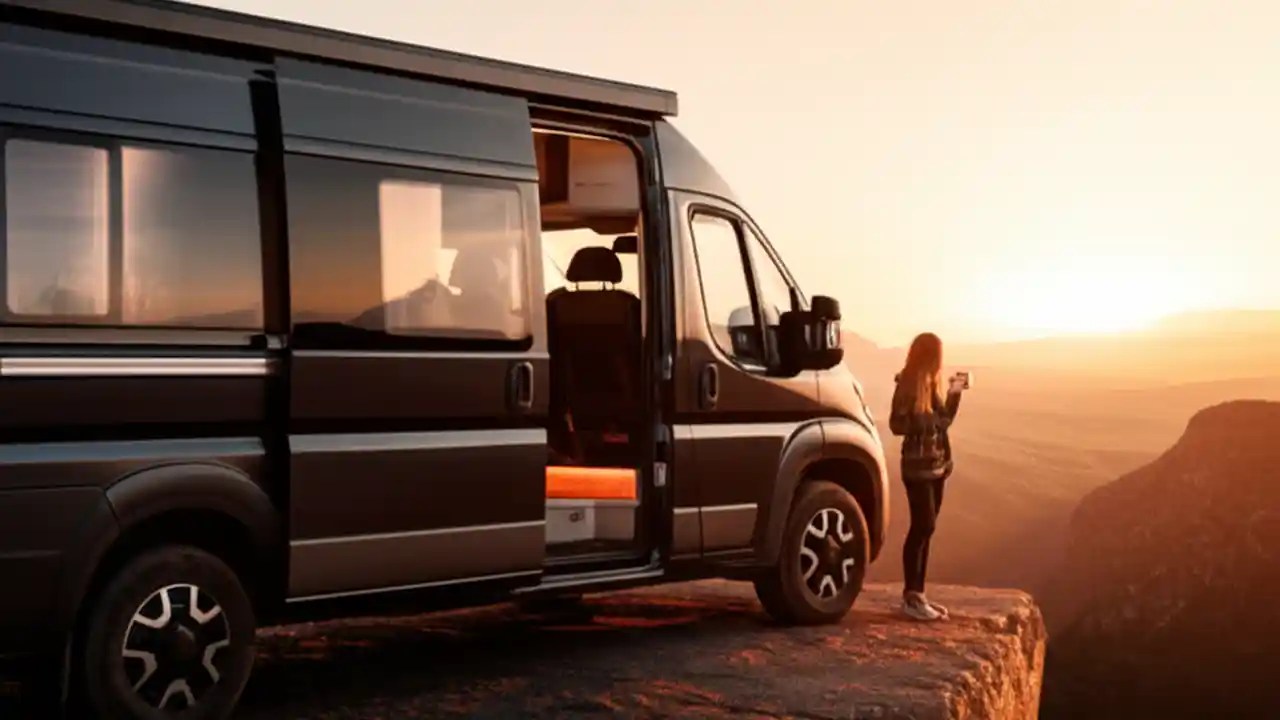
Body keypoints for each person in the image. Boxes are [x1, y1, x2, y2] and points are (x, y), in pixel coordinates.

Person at [889, 332, 963, 621]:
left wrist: (955, 393)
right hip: (917, 468)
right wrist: (923, 421)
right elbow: (897, 423)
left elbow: (943, 422)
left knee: (927, 529)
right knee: (923, 525)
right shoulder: (907, 382)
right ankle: (911, 596)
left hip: (937, 467)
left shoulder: (932, 384)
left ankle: (919, 595)